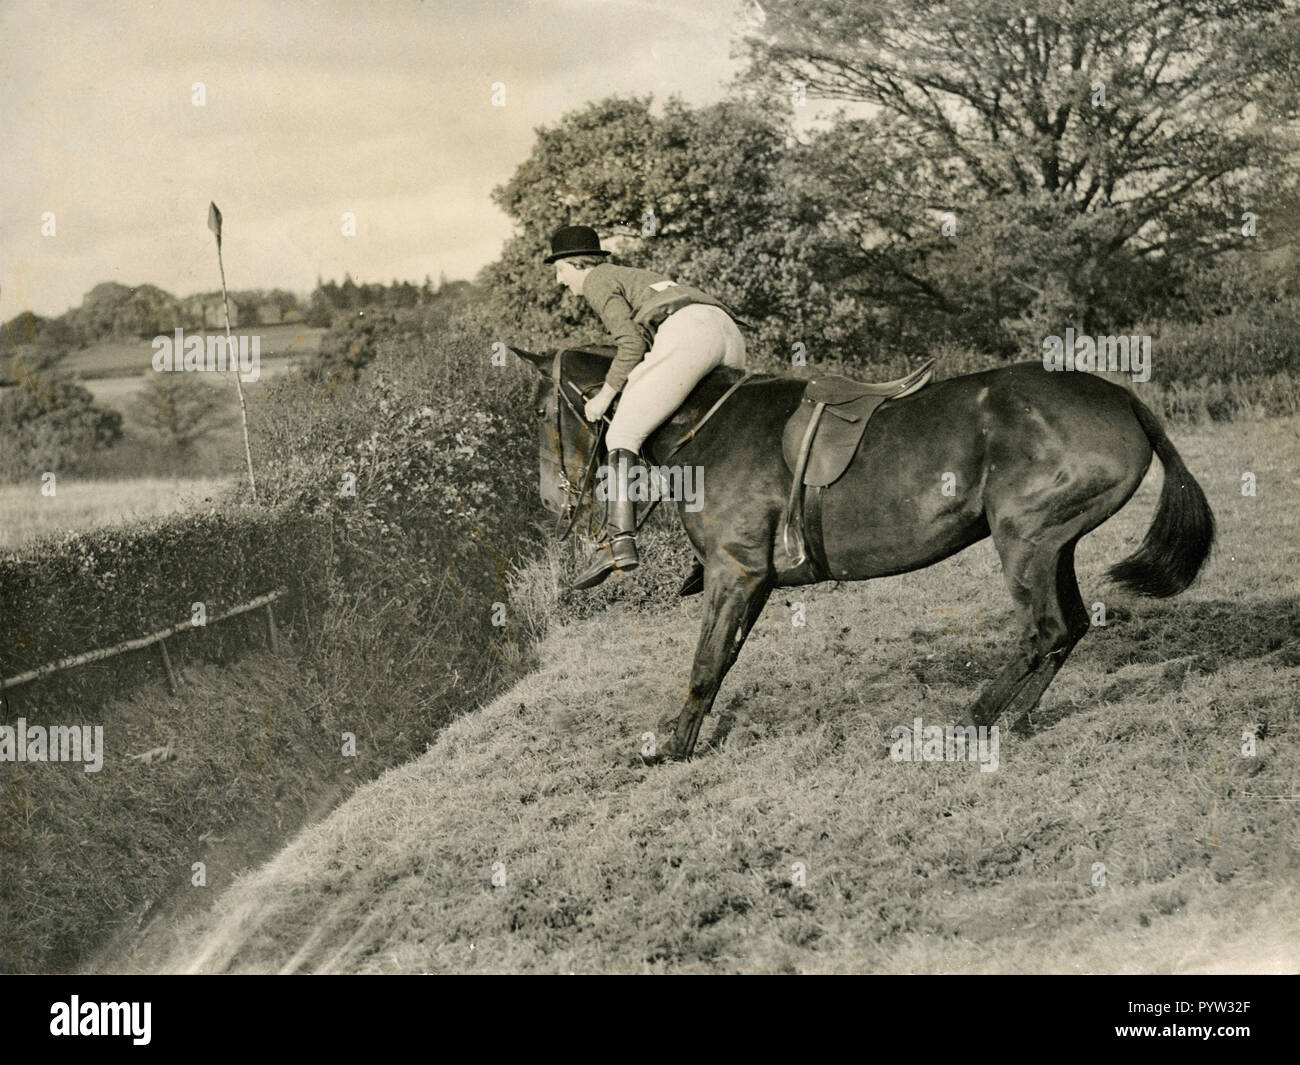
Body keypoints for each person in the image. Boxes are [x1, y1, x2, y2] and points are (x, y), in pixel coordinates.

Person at [545, 224, 747, 589]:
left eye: (559, 270)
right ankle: (710, 550)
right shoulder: (632, 275)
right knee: (696, 441)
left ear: (576, 264)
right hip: (727, 331)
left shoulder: (597, 280)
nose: (560, 281)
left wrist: (605, 396)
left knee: (622, 433)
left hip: (691, 332)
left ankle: (616, 544)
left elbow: (631, 346)